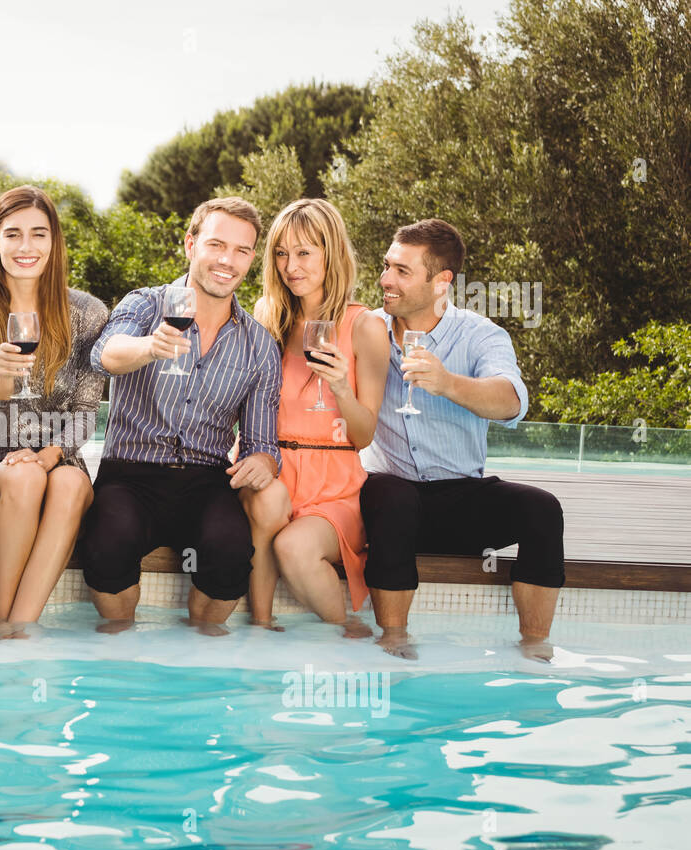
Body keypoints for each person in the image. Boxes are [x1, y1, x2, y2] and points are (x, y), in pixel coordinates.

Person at [359, 218, 564, 659]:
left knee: (542, 509)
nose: (385, 279)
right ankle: (394, 639)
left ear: (441, 282)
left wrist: (448, 383)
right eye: (386, 266)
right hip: (386, 502)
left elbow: (511, 401)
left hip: (460, 497)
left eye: (401, 271)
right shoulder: (367, 329)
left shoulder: (480, 335)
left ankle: (534, 646)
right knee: (392, 496)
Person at [81, 197, 283, 633]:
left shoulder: (261, 346)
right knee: (106, 548)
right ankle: (122, 654)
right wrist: (149, 347)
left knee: (230, 556)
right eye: (216, 244)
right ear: (191, 245)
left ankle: (199, 661)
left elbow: (262, 445)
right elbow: (105, 355)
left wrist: (263, 462)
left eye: (242, 250)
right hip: (130, 474)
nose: (227, 260)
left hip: (206, 481)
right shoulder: (145, 305)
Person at [0, 186, 109, 635]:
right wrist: (2, 380)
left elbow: (85, 411)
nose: (26, 247)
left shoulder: (89, 313)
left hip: (60, 466)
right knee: (23, 473)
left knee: (71, 482)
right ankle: (5, 622)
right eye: (13, 234)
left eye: (39, 234)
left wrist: (51, 454)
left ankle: (18, 628)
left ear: (53, 242)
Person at [241, 199, 388, 636]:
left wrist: (341, 386)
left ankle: (349, 635)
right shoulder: (267, 317)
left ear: (332, 253)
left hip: (336, 486)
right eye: (282, 254)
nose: (291, 266)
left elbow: (363, 437)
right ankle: (260, 629)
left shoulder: (365, 327)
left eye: (304, 252)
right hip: (274, 467)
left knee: (294, 547)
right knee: (261, 516)